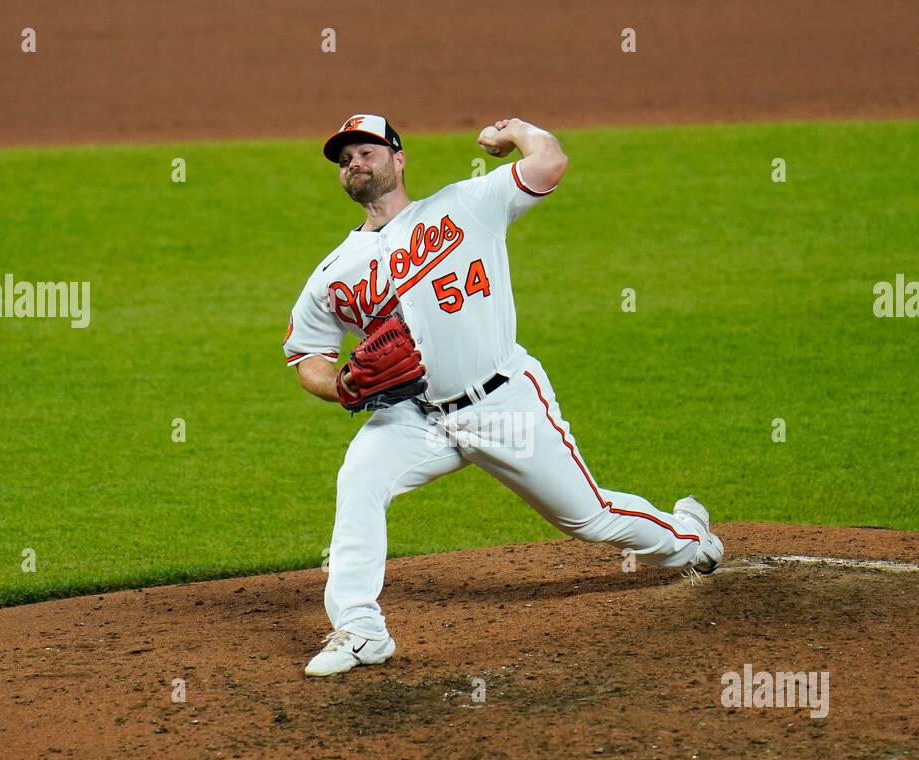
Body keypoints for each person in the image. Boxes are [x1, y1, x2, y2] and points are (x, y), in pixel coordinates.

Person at [284, 113, 723, 677]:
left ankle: (687, 537)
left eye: (366, 152)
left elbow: (550, 162)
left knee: (589, 518)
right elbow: (306, 357)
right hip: (416, 417)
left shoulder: (466, 204)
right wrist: (339, 385)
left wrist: (513, 130)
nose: (354, 164)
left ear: (398, 158)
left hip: (503, 404)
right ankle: (361, 630)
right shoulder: (332, 273)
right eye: (345, 160)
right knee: (359, 479)